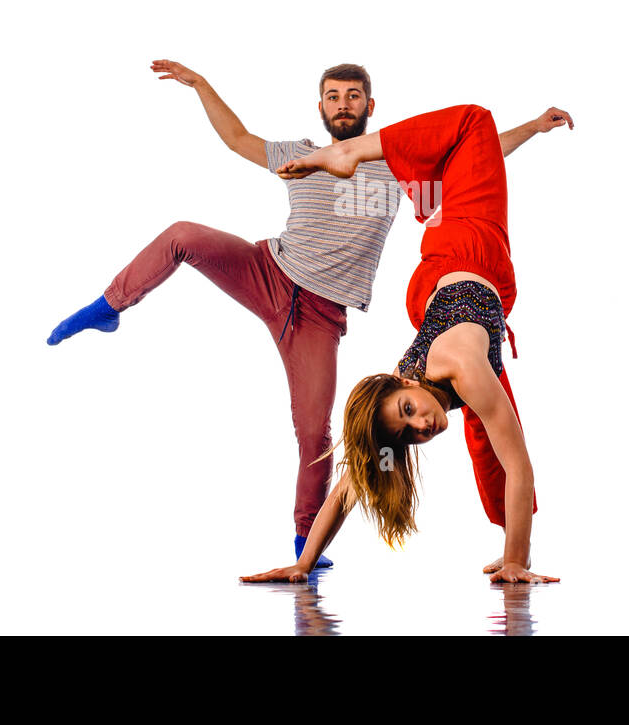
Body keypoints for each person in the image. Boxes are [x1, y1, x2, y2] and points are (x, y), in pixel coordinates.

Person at [47, 62, 568, 566]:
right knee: (182, 234)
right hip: (269, 271)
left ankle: (304, 545)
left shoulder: (394, 167)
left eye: (354, 96)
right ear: (320, 105)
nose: (344, 104)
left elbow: (479, 156)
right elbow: (237, 139)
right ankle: (109, 307)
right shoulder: (298, 154)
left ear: (369, 105)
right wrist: (201, 84)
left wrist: (533, 129)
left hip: (324, 314)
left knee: (314, 433)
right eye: (334, 97)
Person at [241, 103, 572, 584]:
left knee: (472, 123)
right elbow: (347, 491)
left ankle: (350, 152)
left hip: (464, 249)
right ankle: (509, 537)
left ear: (400, 382)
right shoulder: (397, 427)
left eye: (408, 412)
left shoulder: (461, 365)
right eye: (413, 431)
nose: (424, 426)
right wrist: (302, 564)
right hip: (440, 296)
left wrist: (520, 561)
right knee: (485, 443)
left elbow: (521, 464)